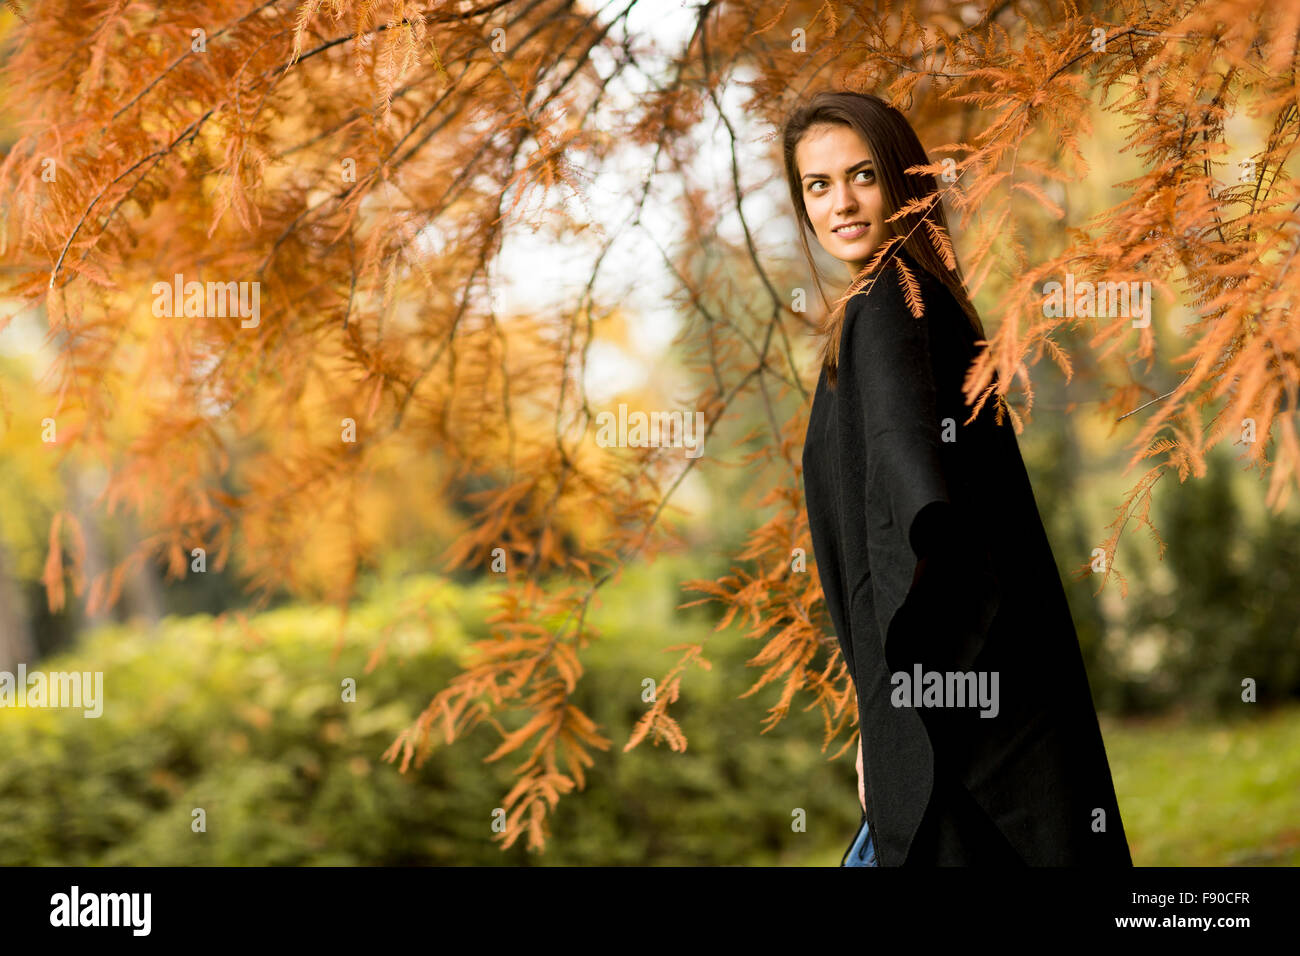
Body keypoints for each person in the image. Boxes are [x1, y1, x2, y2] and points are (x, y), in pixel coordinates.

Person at [784, 91, 1133, 866]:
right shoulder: (917, 302)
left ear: (903, 181)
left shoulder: (888, 306)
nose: (841, 203)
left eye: (863, 175)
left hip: (959, 735)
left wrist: (898, 719)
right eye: (818, 185)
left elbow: (920, 523)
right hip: (982, 711)